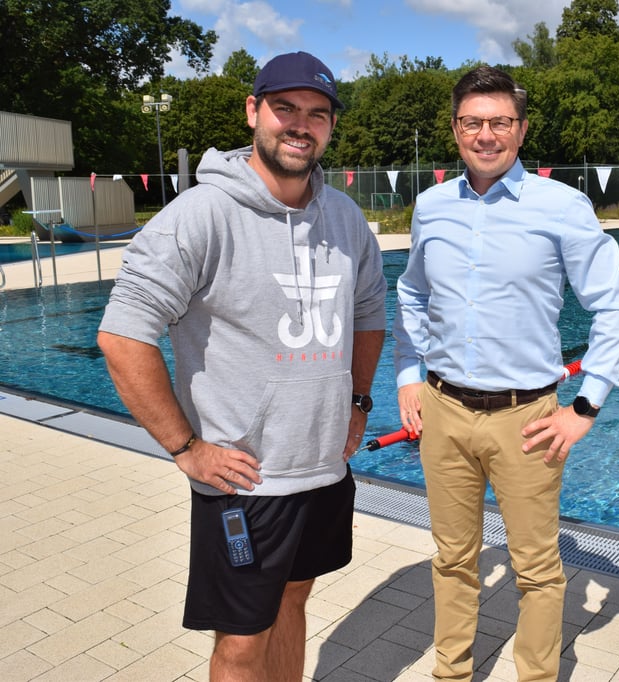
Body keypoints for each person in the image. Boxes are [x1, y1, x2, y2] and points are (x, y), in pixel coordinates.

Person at [97, 51, 387, 681]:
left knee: (294, 600)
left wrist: (359, 402)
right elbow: (122, 335)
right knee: (241, 638)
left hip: (322, 468)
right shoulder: (202, 214)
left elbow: (369, 312)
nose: (300, 125)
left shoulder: (345, 218)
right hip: (248, 482)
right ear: (253, 111)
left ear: (331, 126)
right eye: (284, 108)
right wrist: (185, 446)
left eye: (316, 113)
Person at [392, 65, 619, 681]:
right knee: (452, 559)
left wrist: (586, 406)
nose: (486, 135)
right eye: (473, 122)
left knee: (536, 567)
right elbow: (412, 294)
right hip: (443, 410)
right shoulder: (430, 206)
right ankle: (450, 673)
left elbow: (616, 305)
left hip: (528, 417)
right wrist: (406, 375)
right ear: (454, 130)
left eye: (500, 122)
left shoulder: (561, 206)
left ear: (521, 130)